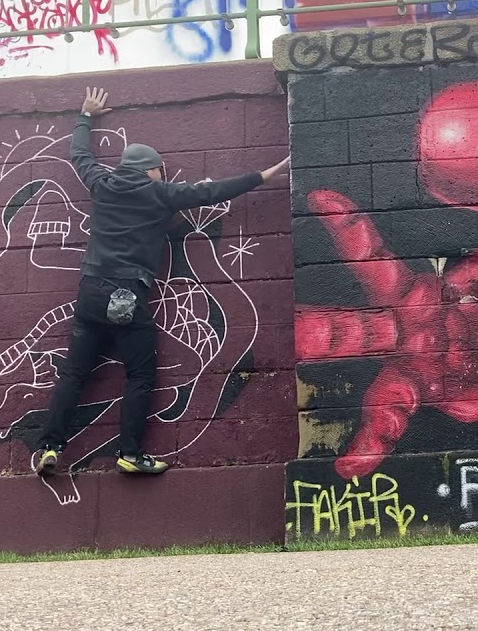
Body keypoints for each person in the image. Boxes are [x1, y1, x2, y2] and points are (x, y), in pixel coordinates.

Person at [32, 87, 290, 477]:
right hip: (126, 296)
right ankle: (130, 454)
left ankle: (50, 446)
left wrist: (85, 116)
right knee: (139, 374)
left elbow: (80, 156)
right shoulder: (159, 194)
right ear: (150, 170)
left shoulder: (101, 183)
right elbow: (212, 191)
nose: (162, 175)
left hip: (90, 291)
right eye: (160, 170)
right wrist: (264, 175)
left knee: (74, 373)